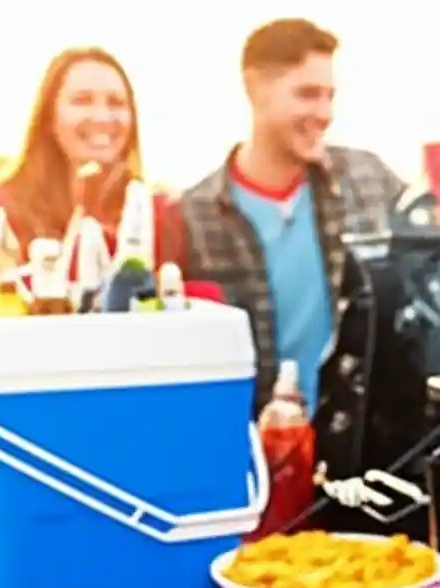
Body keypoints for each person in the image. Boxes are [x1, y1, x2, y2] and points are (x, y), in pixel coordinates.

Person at [0, 46, 177, 479]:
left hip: (87, 460)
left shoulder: (152, 218)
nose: (103, 116)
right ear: (49, 118)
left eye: (116, 103)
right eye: (82, 100)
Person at [173, 18, 405, 420]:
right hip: (253, 441)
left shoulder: (371, 180)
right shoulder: (193, 217)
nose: (325, 113)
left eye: (330, 96)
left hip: (362, 437)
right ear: (253, 88)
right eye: (307, 94)